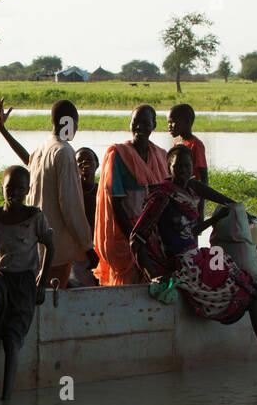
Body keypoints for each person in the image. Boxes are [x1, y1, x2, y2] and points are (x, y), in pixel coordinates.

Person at [131, 144, 257, 375]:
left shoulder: (190, 191)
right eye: (177, 166)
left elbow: (190, 231)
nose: (182, 170)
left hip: (198, 259)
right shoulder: (163, 195)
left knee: (256, 295)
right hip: (185, 266)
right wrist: (155, 276)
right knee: (253, 297)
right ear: (169, 167)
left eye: (187, 166)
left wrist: (221, 215)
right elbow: (136, 237)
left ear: (191, 169)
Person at [0, 97, 97, 289]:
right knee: (52, 302)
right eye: (76, 123)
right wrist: (87, 247)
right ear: (69, 122)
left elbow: (28, 160)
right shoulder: (64, 151)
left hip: (36, 247)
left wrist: (3, 129)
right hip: (56, 251)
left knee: (43, 299)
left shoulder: (44, 148)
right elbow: (70, 205)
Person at [0, 166, 55, 403]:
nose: (15, 194)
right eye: (10, 188)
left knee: (11, 338)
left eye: (20, 189)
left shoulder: (35, 217)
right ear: (2, 188)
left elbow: (51, 247)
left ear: (28, 190)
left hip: (24, 280)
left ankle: (6, 397)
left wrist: (42, 282)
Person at [94, 104, 169, 286]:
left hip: (153, 235)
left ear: (154, 125)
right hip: (126, 234)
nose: (140, 127)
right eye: (135, 122)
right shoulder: (118, 155)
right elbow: (116, 203)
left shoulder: (160, 155)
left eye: (145, 123)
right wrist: (134, 238)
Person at [168, 103, 208, 220]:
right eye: (168, 123)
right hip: (178, 197)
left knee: (192, 229)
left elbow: (203, 177)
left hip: (192, 198)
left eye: (173, 122)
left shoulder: (196, 145)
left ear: (187, 122)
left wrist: (201, 206)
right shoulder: (177, 144)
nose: (169, 126)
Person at [69, 147, 100, 287]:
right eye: (79, 161)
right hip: (78, 250)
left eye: (89, 160)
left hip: (99, 246)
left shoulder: (102, 191)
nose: (84, 163)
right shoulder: (71, 192)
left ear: (97, 164)